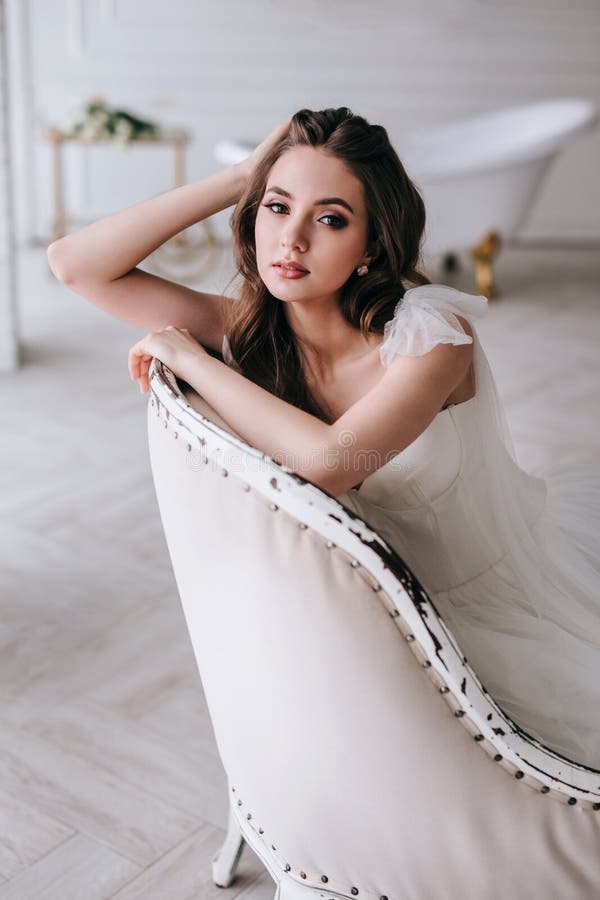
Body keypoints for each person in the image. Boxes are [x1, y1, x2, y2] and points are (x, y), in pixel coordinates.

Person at [47, 107, 600, 770]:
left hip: (491, 605)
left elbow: (328, 463)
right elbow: (74, 264)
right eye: (276, 208)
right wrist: (240, 177)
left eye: (331, 218)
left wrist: (191, 359)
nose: (293, 240)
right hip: (370, 616)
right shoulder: (250, 336)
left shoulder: (432, 338)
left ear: (371, 244)